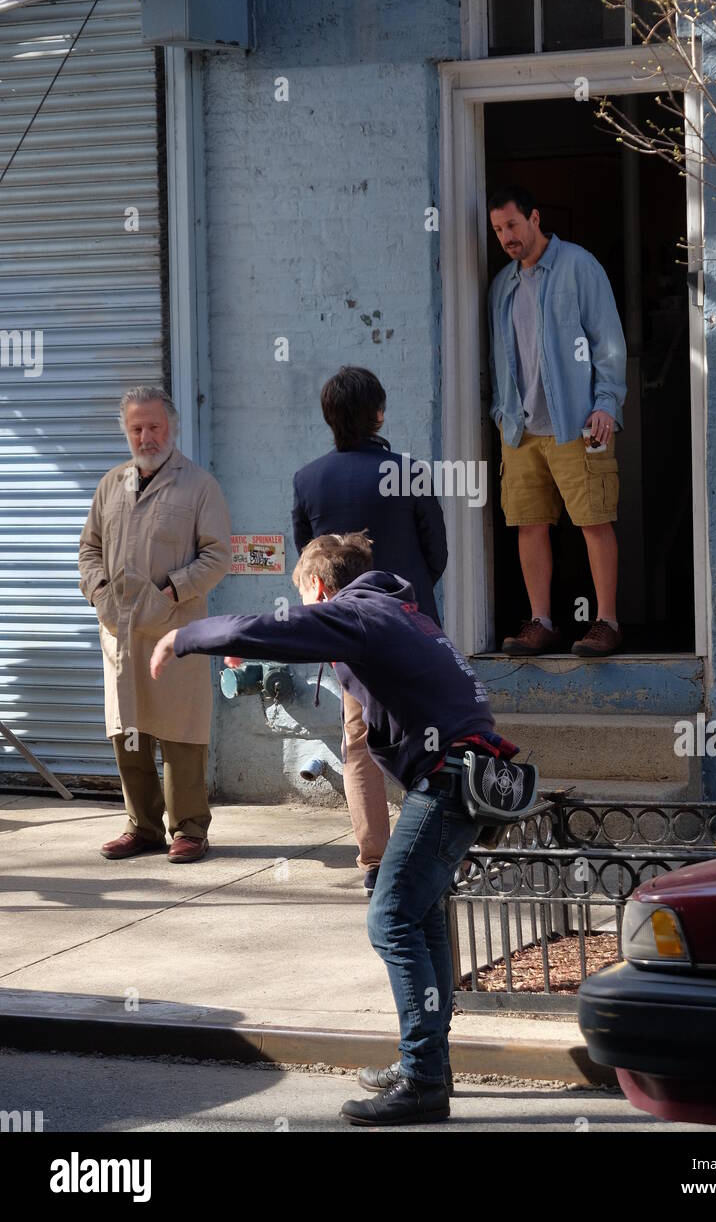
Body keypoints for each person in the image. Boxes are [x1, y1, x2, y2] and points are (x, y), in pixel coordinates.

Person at [150, 531, 511, 1126]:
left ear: (319, 587)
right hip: (469, 771)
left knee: (391, 917)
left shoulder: (359, 615)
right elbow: (313, 642)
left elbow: (286, 628)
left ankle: (423, 1081)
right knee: (419, 916)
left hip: (450, 778)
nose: (312, 612)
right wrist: (261, 649)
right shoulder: (398, 610)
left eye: (309, 600)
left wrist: (185, 636)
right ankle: (430, 1064)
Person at [293, 366, 447, 896]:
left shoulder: (308, 480)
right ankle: (434, 851)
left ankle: (376, 862)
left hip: (347, 631)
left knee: (359, 743)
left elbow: (311, 566)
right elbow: (438, 556)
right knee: (431, 738)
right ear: (378, 413)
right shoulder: (410, 473)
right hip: (412, 623)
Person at [79, 386, 231, 863]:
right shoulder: (111, 485)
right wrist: (99, 593)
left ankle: (189, 829)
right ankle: (141, 826)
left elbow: (217, 556)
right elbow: (88, 550)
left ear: (173, 426)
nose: (145, 437)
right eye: (136, 428)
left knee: (181, 730)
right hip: (120, 634)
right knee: (129, 730)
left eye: (153, 426)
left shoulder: (199, 486)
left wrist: (171, 591)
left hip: (174, 630)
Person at [487, 184, 627, 657]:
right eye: (498, 229)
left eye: (511, 225)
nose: (506, 236)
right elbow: (499, 360)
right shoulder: (501, 286)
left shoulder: (578, 266)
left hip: (578, 422)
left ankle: (606, 621)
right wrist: (500, 412)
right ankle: (541, 621)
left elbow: (608, 340)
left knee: (594, 521)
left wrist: (606, 402)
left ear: (534, 218)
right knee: (529, 524)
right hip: (521, 431)